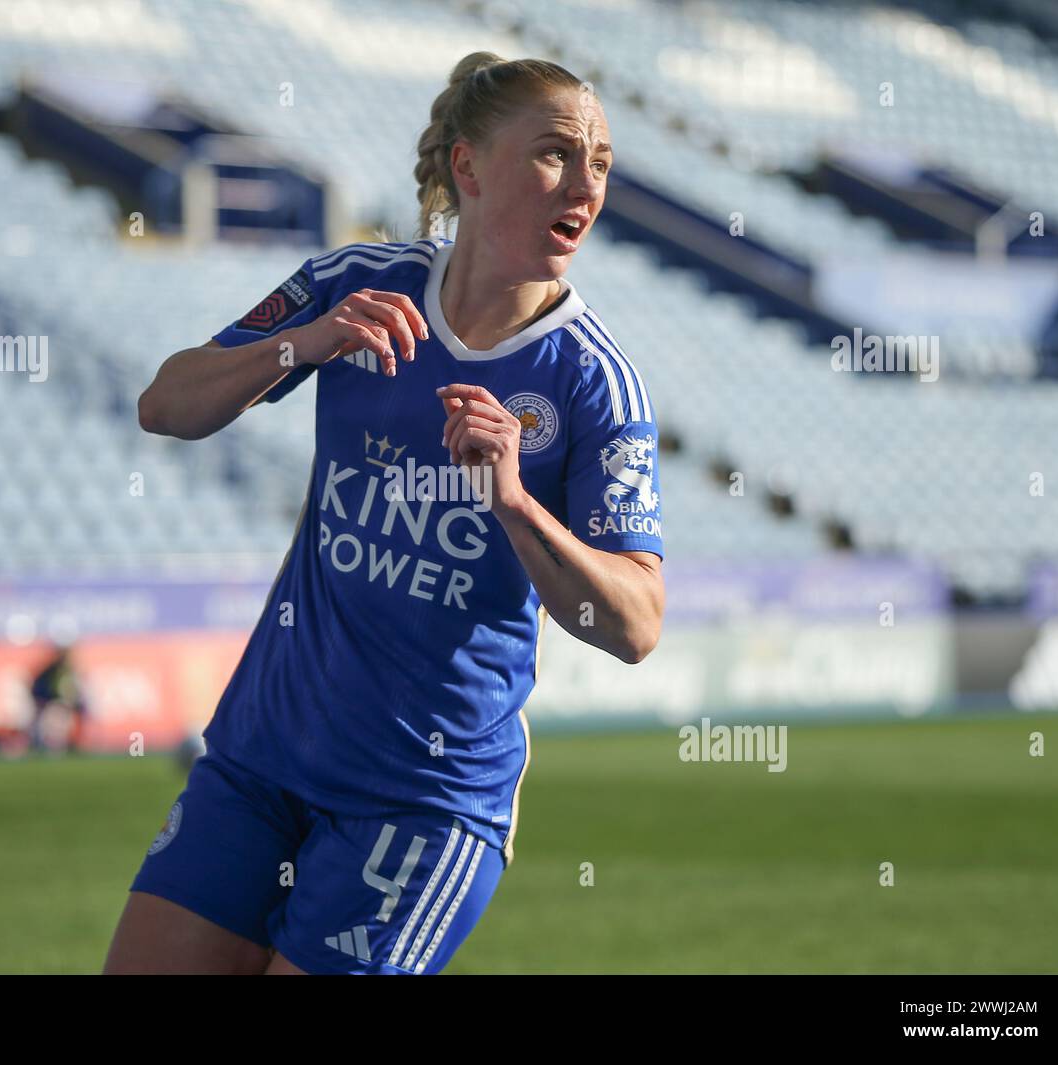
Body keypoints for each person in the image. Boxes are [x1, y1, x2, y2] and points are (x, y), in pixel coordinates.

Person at [106, 52, 665, 976]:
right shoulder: (356, 281)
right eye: (557, 153)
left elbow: (637, 624)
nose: (586, 183)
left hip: (420, 805)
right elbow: (165, 404)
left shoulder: (594, 382)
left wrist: (516, 501)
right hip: (259, 761)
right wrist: (304, 344)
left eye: (599, 162)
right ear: (470, 167)